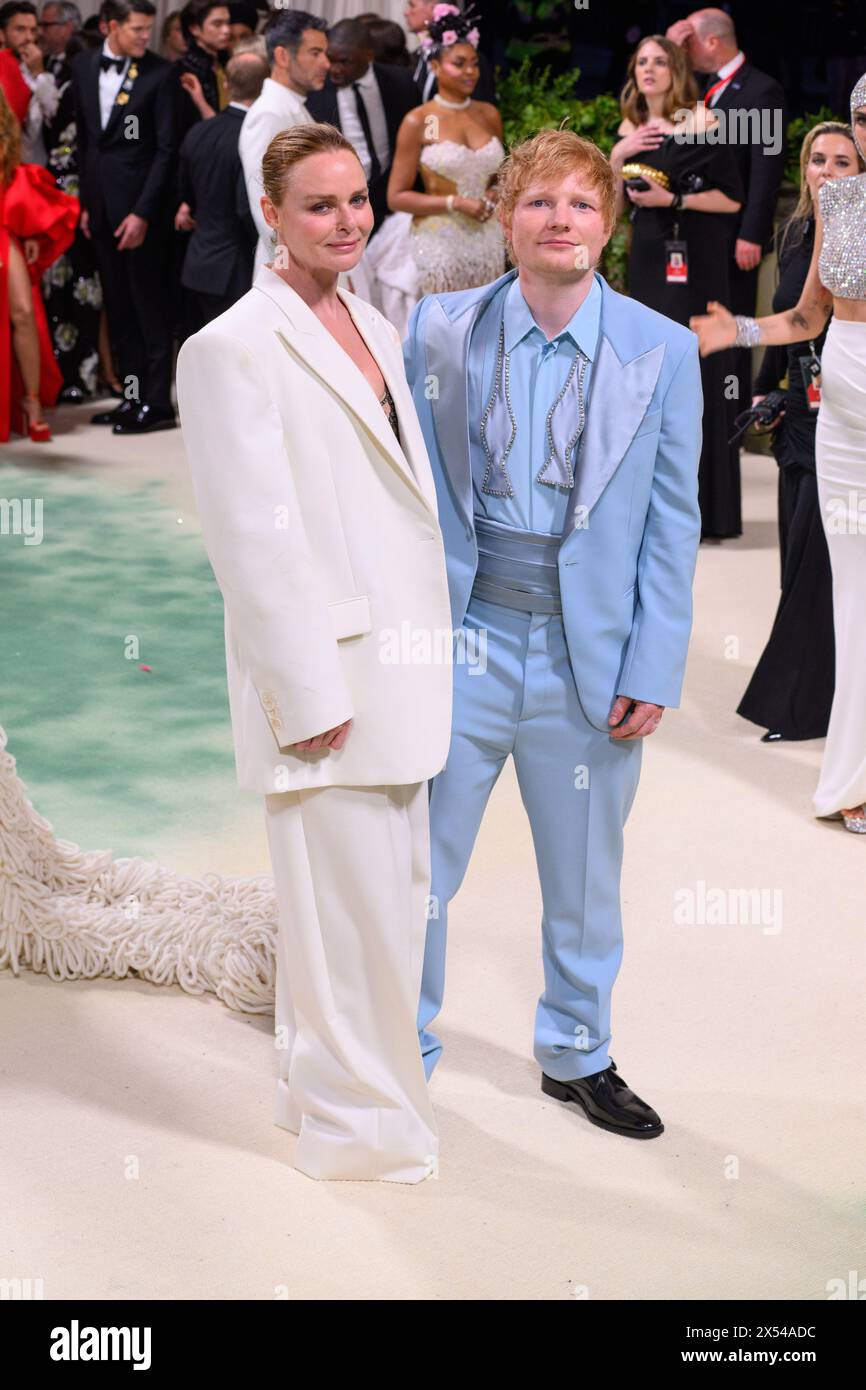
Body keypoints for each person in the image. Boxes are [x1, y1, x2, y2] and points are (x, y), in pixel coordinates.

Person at [404, 126, 703, 1137]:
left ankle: (576, 1049)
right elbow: (403, 496)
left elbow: (671, 525)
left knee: (582, 875)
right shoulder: (437, 330)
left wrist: (651, 663)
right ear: (502, 214)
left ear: (606, 224)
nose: (559, 220)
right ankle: (400, 1041)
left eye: (581, 203)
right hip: (465, 637)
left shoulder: (659, 352)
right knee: (421, 864)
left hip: (589, 657)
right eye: (539, 201)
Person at [175, 122, 454, 1183]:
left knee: (381, 902)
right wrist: (304, 687)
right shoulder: (230, 349)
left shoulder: (374, 324)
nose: (346, 220)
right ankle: (360, 1132)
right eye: (319, 206)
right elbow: (249, 537)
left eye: (355, 201)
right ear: (271, 217)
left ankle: (323, 1093)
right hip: (327, 679)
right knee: (346, 919)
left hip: (398, 661)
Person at [691, 74, 866, 833]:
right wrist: (742, 333)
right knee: (854, 602)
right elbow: (807, 314)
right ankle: (851, 782)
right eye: (863, 114)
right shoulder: (839, 203)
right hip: (847, 430)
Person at [738, 123, 864, 743]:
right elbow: (794, 317)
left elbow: (813, 319)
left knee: (824, 557)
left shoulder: (850, 224)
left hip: (843, 406)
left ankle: (803, 703)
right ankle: (815, 698)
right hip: (799, 408)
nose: (827, 171)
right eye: (817, 159)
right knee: (798, 559)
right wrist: (764, 387)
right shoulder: (797, 233)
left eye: (842, 160)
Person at [611, 34, 743, 540]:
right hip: (648, 258)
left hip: (697, 259)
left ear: (677, 69)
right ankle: (651, 507)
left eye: (660, 61)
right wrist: (619, 153)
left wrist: (676, 202)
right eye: (641, 61)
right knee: (650, 372)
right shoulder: (628, 129)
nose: (649, 69)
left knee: (702, 370)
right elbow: (611, 212)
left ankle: (711, 508)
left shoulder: (704, 121)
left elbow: (732, 198)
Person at [70, 0, 180, 435]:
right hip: (99, 209)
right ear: (108, 26)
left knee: (148, 310)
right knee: (118, 311)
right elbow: (86, 140)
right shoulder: (82, 66)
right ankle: (131, 397)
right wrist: (83, 203)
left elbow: (166, 149)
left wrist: (142, 213)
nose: (143, 37)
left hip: (141, 214)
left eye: (147, 29)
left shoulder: (160, 73)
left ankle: (157, 404)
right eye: (135, 29)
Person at [666, 7, 786, 402]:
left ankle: (730, 424)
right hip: (698, 228)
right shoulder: (695, 88)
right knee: (695, 322)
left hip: (735, 235)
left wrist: (752, 233)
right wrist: (671, 48)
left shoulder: (760, 89)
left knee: (730, 322)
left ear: (712, 41)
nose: (687, 49)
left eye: (691, 41)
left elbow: (767, 168)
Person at [386, 3, 504, 299]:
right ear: (435, 66)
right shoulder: (420, 120)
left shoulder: (489, 114)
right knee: (444, 327)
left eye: (475, 63)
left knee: (485, 324)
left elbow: (499, 177)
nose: (470, 72)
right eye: (459, 63)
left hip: (488, 238)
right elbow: (396, 196)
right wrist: (456, 203)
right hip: (439, 241)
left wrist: (495, 192)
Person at [0, 84, 78, 441]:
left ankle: (31, 401)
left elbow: (15, 178)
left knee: (22, 311)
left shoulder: (5, 130)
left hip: (4, 226)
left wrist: (28, 229)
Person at [304, 17, 420, 241]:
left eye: (344, 61)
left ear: (368, 55)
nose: (334, 69)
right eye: (331, 60)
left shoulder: (400, 82)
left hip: (393, 207)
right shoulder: (314, 92)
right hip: (338, 209)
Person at [176, 49, 265, 331]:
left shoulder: (199, 131)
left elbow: (187, 195)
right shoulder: (253, 136)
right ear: (266, 88)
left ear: (226, 85)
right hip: (236, 268)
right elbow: (245, 207)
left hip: (198, 263)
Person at [238, 8, 325, 276]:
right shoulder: (268, 113)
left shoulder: (292, 106)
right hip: (291, 266)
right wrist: (302, 270)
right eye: (315, 53)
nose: (326, 63)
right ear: (282, 56)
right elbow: (265, 203)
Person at [0, 1, 61, 166]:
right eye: (20, 29)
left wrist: (38, 73)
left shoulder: (40, 72)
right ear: (2, 34)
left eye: (33, 30)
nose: (29, 38)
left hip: (33, 167)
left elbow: (56, 115)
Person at [405, 0, 495, 105]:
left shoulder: (470, 58)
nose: (406, 12)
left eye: (412, 6)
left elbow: (479, 109)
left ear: (433, 8)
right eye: (458, 63)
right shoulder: (418, 55)